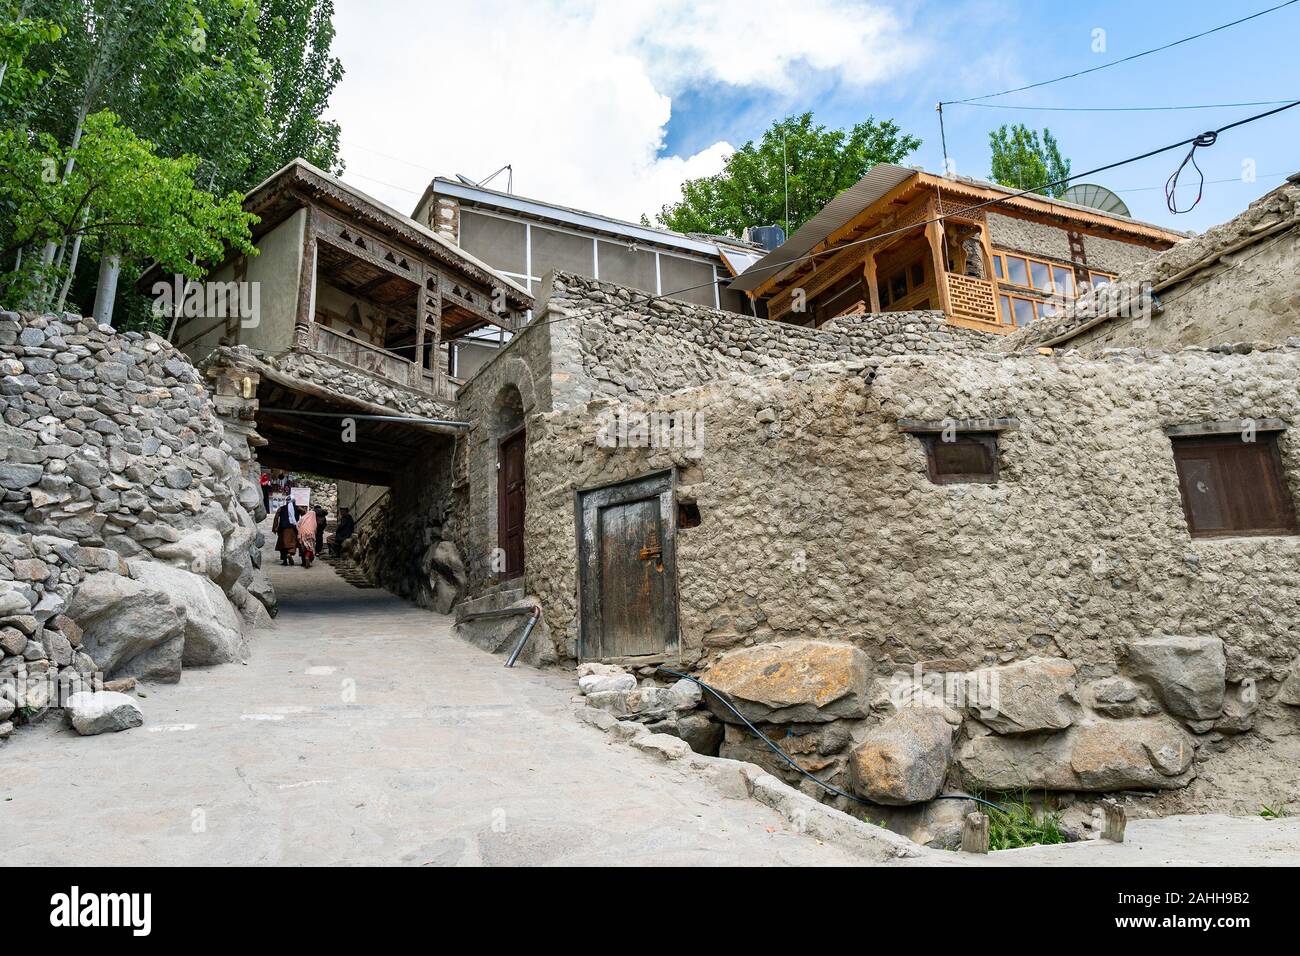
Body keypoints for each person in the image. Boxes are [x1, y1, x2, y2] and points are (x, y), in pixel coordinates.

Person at [272, 489, 300, 566]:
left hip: (283, 529)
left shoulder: (281, 508)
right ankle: (289, 554)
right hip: (293, 529)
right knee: (292, 543)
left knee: (283, 544)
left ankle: (285, 561)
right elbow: (304, 513)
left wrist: (275, 527)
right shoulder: (297, 508)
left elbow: (276, 517)